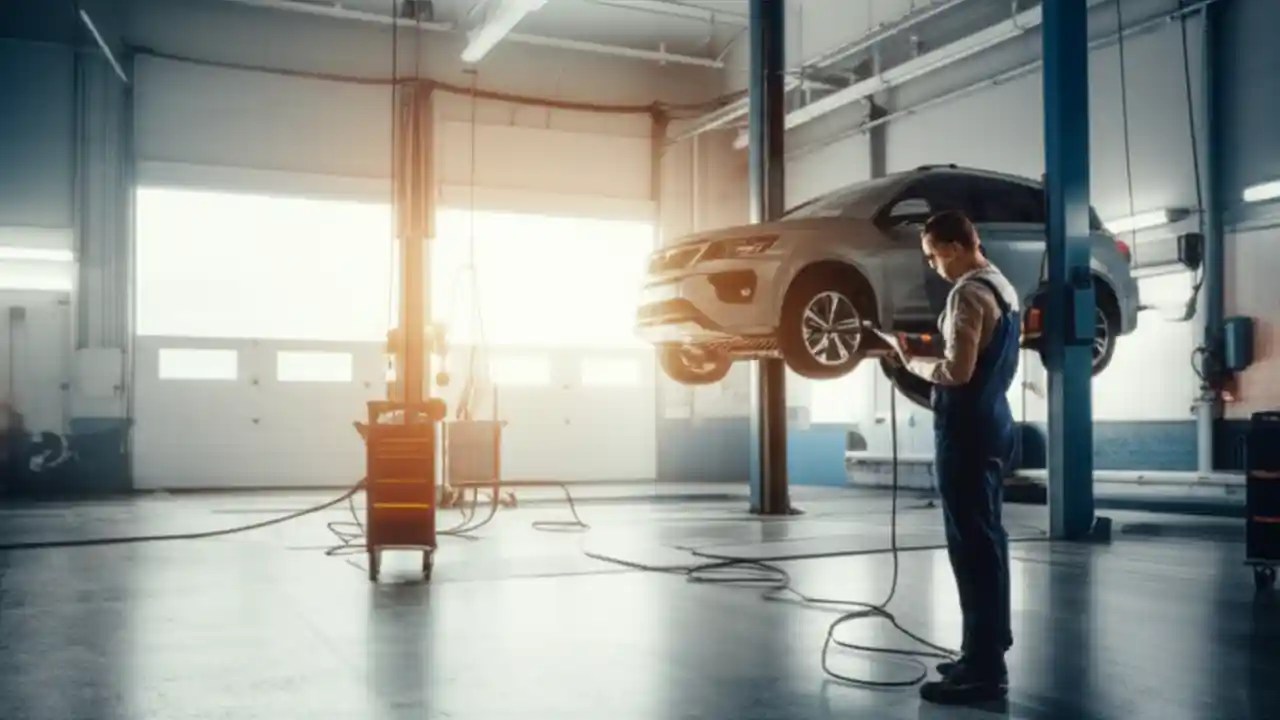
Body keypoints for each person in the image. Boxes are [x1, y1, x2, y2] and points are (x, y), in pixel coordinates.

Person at [898, 210, 1020, 705]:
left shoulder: (967, 293)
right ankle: (983, 651)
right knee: (989, 541)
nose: (933, 265)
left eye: (932, 256)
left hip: (965, 431)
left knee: (970, 547)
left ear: (952, 247)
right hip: (995, 424)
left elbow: (958, 371)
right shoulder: (1002, 287)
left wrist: (911, 361)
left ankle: (983, 673)